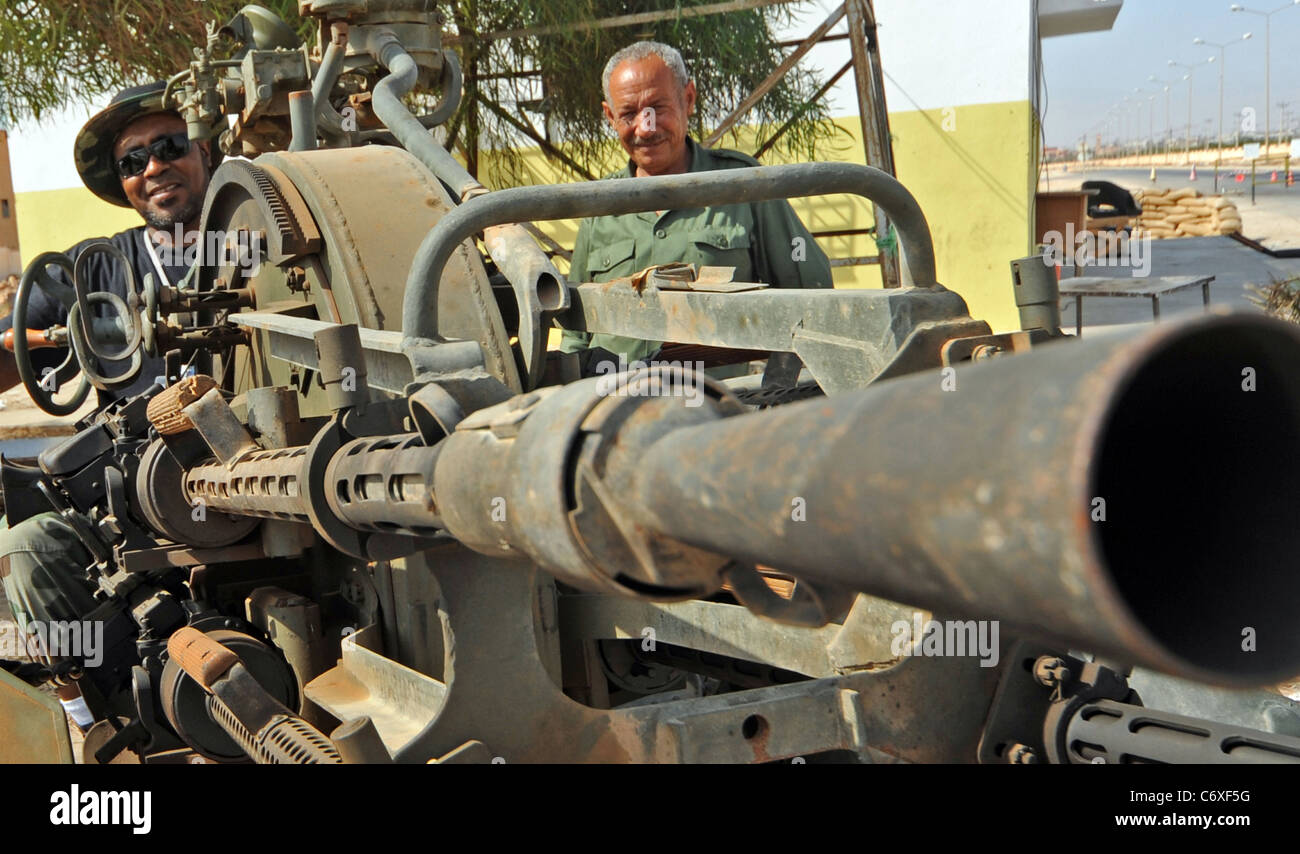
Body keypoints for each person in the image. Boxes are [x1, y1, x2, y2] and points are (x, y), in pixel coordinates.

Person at [0, 81, 219, 731]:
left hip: (246, 486)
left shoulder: (257, 244)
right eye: (134, 160)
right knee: (24, 554)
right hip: (135, 505)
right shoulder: (95, 271)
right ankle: (106, 717)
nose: (154, 168)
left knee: (33, 551)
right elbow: (17, 343)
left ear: (204, 151)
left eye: (169, 147)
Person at [558, 41, 833, 373]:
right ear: (609, 116)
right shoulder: (600, 206)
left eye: (658, 108)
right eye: (630, 113)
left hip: (719, 412)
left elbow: (811, 299)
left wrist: (774, 392)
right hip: (618, 410)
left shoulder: (743, 187)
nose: (646, 128)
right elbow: (575, 335)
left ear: (688, 100)